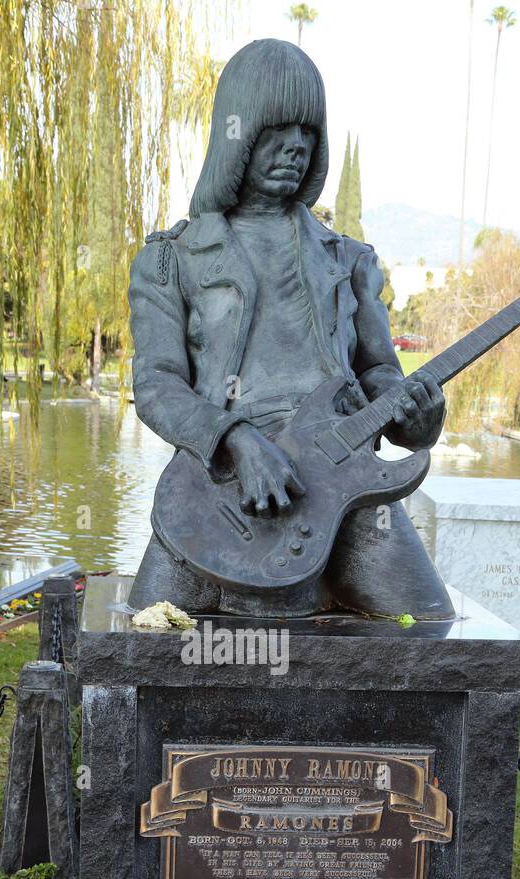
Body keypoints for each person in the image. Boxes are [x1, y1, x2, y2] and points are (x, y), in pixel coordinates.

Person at [128, 38, 451, 618]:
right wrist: (236, 440)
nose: (296, 146)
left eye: (308, 130)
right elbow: (157, 386)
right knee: (140, 649)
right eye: (277, 130)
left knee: (431, 632)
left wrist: (418, 420)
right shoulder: (171, 258)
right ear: (239, 135)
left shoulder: (350, 259)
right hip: (212, 492)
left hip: (344, 487)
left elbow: (380, 373)